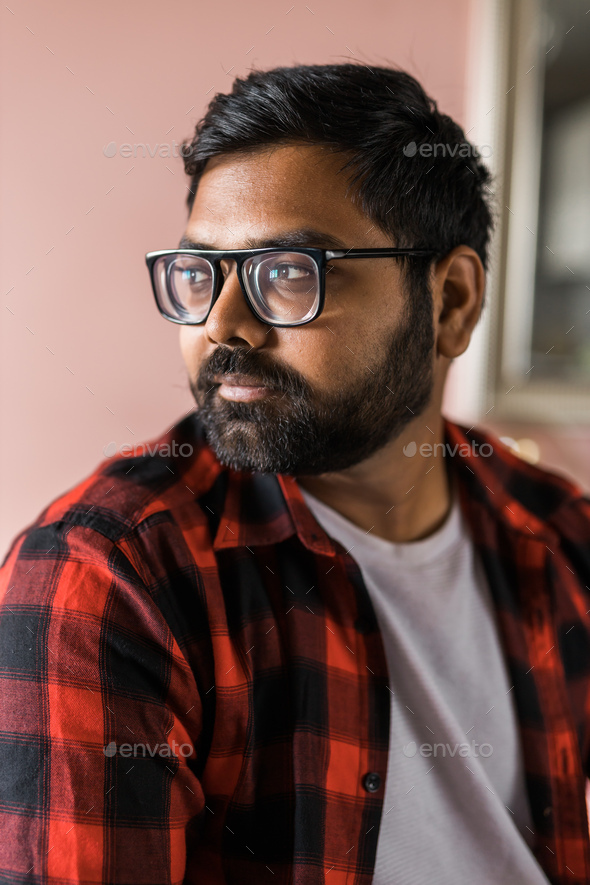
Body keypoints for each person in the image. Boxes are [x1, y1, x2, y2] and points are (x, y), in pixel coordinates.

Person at [1, 63, 589, 885]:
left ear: (451, 301)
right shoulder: (110, 575)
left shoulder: (560, 536)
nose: (222, 323)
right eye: (200, 271)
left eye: (287, 273)